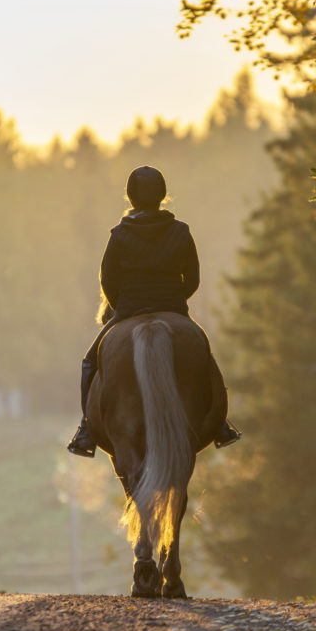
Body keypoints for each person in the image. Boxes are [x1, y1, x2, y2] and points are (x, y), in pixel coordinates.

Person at [67, 165, 242, 458]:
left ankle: (86, 430)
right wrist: (174, 301)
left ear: (131, 197)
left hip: (128, 309)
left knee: (89, 362)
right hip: (173, 306)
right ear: (162, 195)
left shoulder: (119, 234)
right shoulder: (181, 232)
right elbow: (194, 279)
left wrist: (121, 305)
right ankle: (220, 424)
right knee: (205, 357)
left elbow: (107, 280)